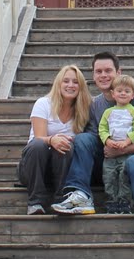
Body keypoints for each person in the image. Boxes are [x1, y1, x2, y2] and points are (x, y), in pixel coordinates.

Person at [52, 51, 134, 243]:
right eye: (99, 71)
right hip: (110, 161)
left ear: (118, 72)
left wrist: (124, 149)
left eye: (108, 70)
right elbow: (94, 135)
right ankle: (80, 194)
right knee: (83, 139)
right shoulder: (96, 104)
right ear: (93, 75)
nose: (103, 75)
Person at [17, 65, 91, 215]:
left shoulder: (84, 110)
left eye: (75, 82)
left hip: (62, 167)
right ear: (59, 83)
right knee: (39, 144)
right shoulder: (43, 103)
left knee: (66, 146)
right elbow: (38, 137)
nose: (70, 85)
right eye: (66, 81)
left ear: (81, 86)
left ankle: (61, 200)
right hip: (34, 167)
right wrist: (51, 140)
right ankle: (35, 202)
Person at [98, 73, 134, 211]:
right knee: (109, 175)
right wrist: (107, 140)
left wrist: (128, 141)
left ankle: (124, 201)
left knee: (124, 175)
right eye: (119, 91)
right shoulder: (108, 112)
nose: (123, 94)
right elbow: (102, 128)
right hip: (111, 151)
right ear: (113, 94)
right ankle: (111, 200)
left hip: (126, 151)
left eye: (127, 91)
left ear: (133, 95)